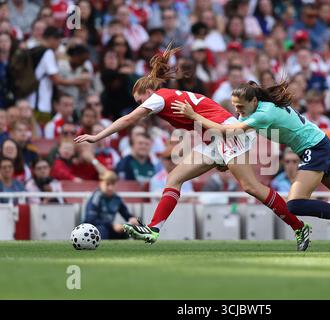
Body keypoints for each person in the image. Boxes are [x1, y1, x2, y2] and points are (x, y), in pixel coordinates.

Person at [75, 46, 309, 251]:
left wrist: (97, 136)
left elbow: (127, 120)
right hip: (215, 138)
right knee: (174, 177)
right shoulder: (167, 97)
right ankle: (154, 229)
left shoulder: (158, 97)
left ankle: (299, 227)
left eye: (140, 101)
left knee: (251, 187)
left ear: (148, 93)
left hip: (225, 132)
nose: (141, 107)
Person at [172, 80, 330, 248]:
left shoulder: (263, 113)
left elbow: (227, 130)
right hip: (318, 144)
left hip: (315, 148)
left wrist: (194, 116)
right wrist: (227, 159)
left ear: (254, 102)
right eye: (235, 106)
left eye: (240, 107)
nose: (238, 111)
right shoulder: (256, 110)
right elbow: (237, 134)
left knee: (294, 203)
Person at [84, 170, 139, 240]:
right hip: (90, 231)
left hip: (109, 228)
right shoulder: (96, 198)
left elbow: (126, 215)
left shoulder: (117, 199)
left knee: (130, 229)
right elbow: (90, 220)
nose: (110, 188)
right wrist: (112, 225)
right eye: (107, 184)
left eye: (113, 184)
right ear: (101, 183)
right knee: (102, 230)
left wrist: (133, 220)